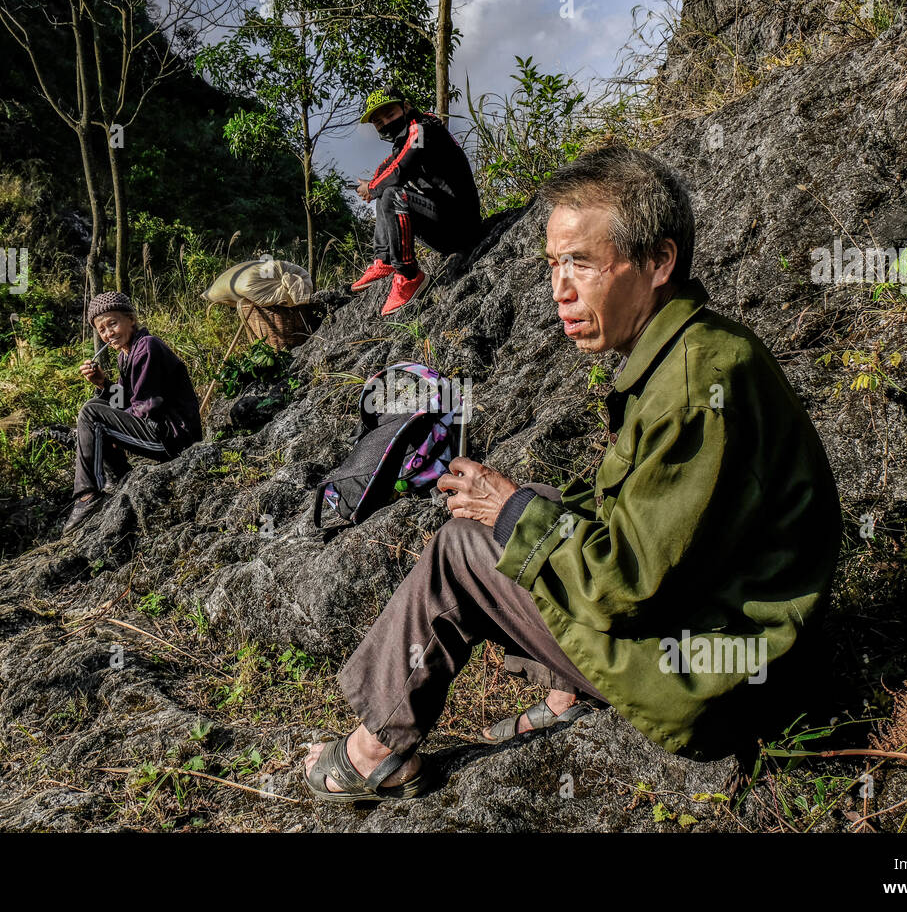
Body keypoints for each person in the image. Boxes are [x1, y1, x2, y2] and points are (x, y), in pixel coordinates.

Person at [302, 144, 844, 803]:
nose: (559, 288)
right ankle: (573, 692)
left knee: (466, 550)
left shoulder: (695, 383)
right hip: (724, 635)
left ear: (659, 261)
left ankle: (377, 752)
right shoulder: (694, 351)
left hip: (717, 681)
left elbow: (625, 582)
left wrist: (504, 513)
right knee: (526, 507)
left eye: (582, 263)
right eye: (555, 264)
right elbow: (641, 522)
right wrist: (513, 502)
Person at [64, 291, 202, 535]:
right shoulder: (125, 356)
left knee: (91, 412)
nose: (109, 333)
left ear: (131, 320)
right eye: (102, 329)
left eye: (113, 324)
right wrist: (103, 384)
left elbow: (146, 404)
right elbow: (122, 402)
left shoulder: (147, 347)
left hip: (172, 436)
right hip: (156, 431)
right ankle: (118, 479)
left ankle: (87, 496)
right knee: (96, 408)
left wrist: (115, 430)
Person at [350, 89, 482, 317]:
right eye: (378, 122)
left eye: (390, 115)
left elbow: (401, 168)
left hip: (463, 226)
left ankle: (409, 276)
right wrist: (372, 185)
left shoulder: (422, 129)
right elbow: (389, 165)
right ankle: (384, 260)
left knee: (391, 193)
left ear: (406, 106)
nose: (385, 124)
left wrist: (372, 188)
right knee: (386, 191)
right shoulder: (406, 137)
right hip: (444, 228)